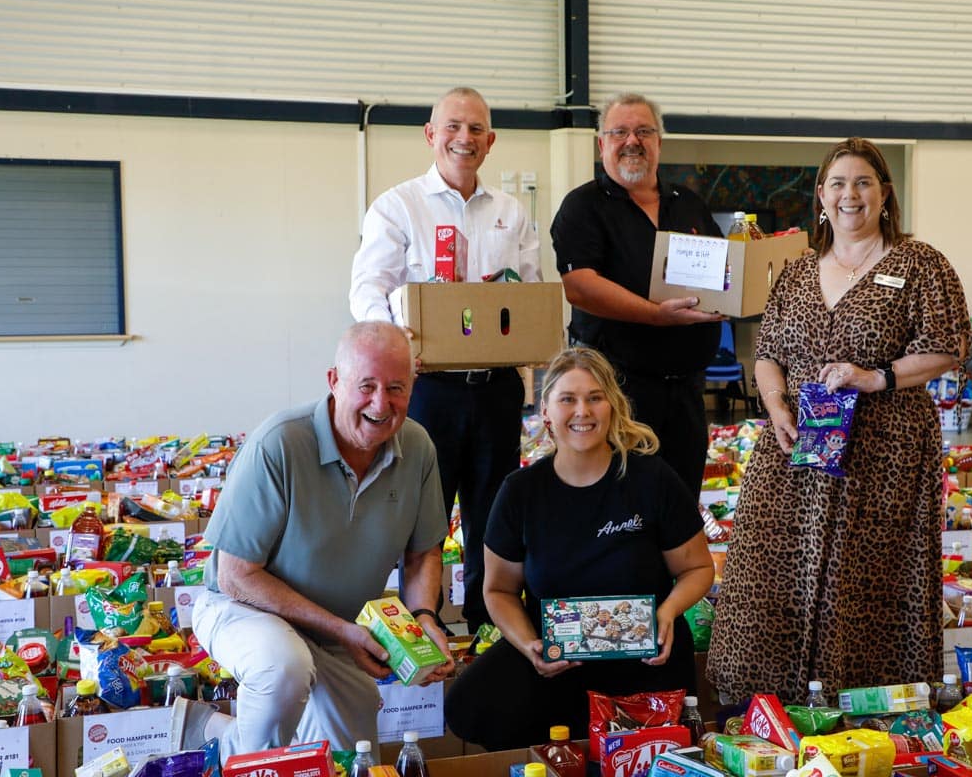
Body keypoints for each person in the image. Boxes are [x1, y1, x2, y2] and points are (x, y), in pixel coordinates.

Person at [706, 137, 971, 705]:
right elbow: (768, 352)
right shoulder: (797, 271)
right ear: (821, 196)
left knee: (868, 578)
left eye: (863, 183)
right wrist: (775, 405)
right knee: (772, 569)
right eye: (838, 184)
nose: (851, 194)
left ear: (885, 193)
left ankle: (864, 707)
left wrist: (876, 377)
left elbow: (948, 347)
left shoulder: (919, 263)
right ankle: (769, 703)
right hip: (796, 446)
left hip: (885, 451)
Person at [173, 321, 455, 759]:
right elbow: (236, 576)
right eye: (366, 386)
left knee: (352, 758)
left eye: (396, 388)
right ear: (334, 380)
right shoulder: (280, 443)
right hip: (244, 610)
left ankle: (211, 735)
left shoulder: (417, 448)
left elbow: (422, 554)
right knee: (284, 666)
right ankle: (239, 756)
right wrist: (342, 630)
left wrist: (424, 618)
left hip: (336, 633)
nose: (381, 403)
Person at [444, 347, 713, 750]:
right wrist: (530, 646)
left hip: (643, 654)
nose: (582, 411)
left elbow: (697, 569)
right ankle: (550, 756)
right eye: (568, 399)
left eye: (594, 398)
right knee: (469, 703)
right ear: (546, 412)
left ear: (613, 407)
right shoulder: (520, 492)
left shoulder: (652, 479)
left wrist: (669, 611)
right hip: (557, 655)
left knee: (648, 746)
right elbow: (498, 590)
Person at [350, 86, 542, 631]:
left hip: (497, 386)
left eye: (476, 128)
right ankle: (418, 628)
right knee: (419, 515)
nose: (464, 138)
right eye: (453, 127)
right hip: (427, 388)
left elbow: (530, 295)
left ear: (491, 141)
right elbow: (366, 290)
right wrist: (395, 341)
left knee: (494, 515)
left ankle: (489, 627)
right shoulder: (397, 206)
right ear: (431, 134)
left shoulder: (511, 212)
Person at [551, 92, 722, 497]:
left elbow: (723, 268)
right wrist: (656, 314)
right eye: (620, 132)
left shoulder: (689, 204)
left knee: (680, 504)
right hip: (615, 394)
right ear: (601, 144)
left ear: (659, 142)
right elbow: (580, 286)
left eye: (644, 131)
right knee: (618, 506)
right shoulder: (582, 206)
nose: (633, 141)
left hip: (686, 390)